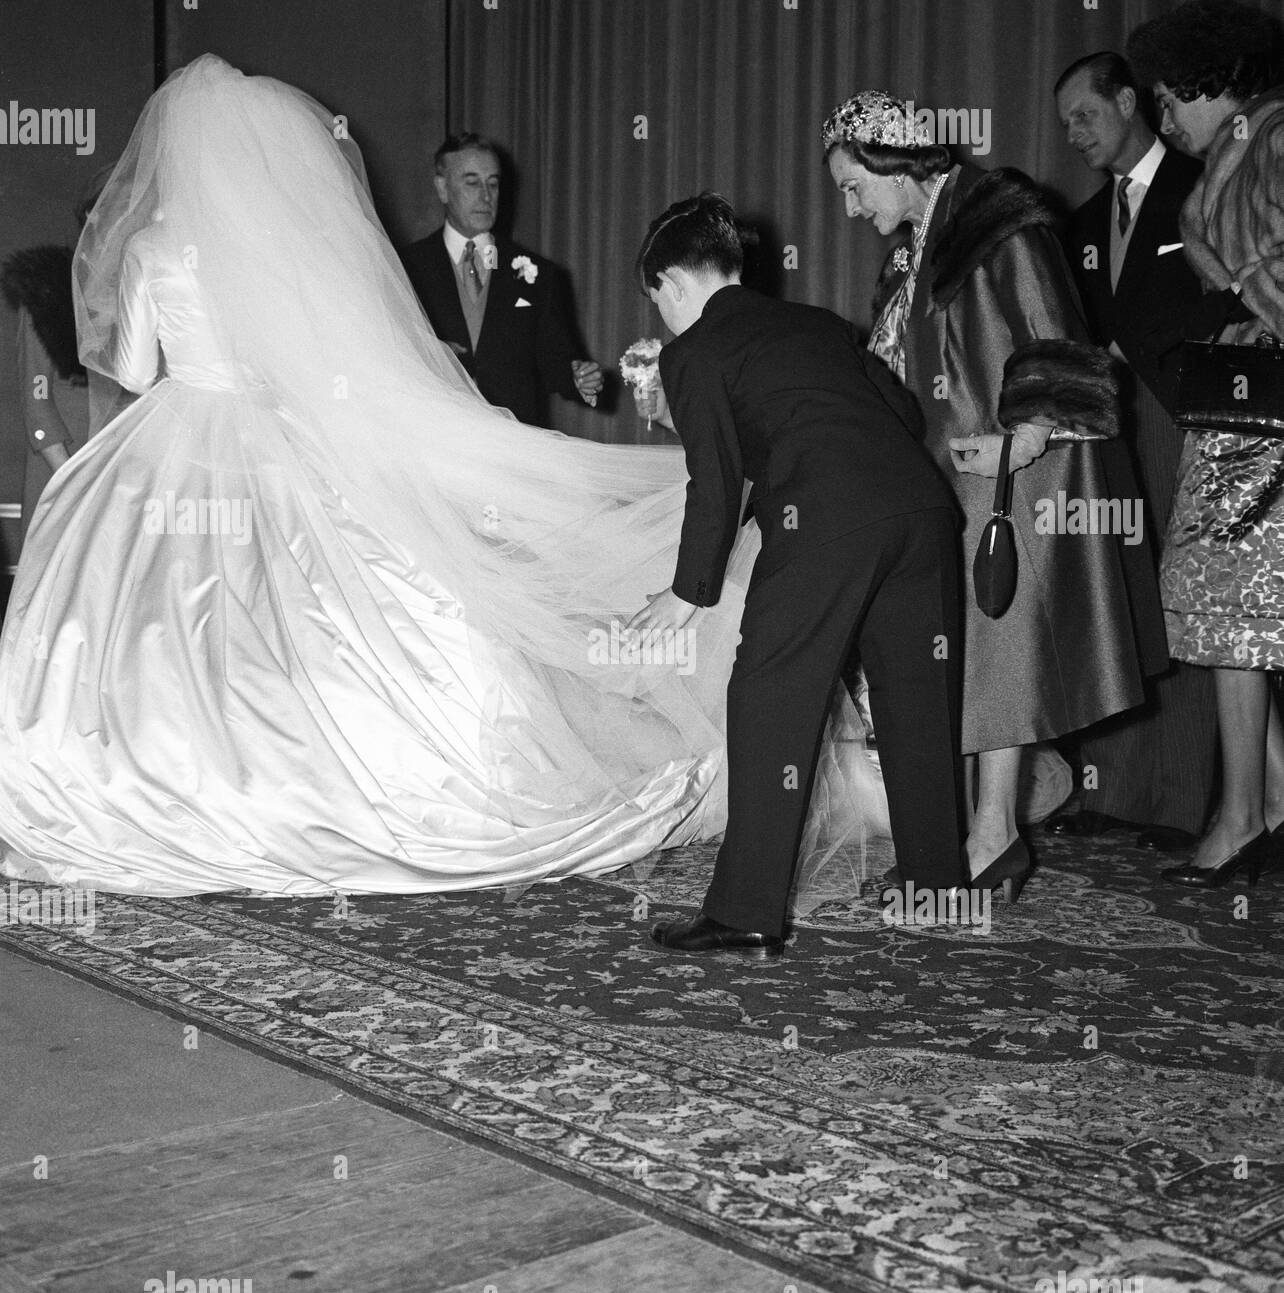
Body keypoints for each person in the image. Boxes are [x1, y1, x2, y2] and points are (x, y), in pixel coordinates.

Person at [0, 55, 881, 900]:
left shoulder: (151, 249)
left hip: (182, 437)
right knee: (327, 605)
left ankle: (156, 773)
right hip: (281, 433)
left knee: (151, 612)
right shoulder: (277, 244)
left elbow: (131, 365)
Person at [823, 91, 1159, 901]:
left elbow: (1058, 344)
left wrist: (1026, 437)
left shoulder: (993, 218)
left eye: (853, 184)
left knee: (997, 652)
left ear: (894, 166)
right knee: (963, 656)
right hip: (951, 476)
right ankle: (976, 835)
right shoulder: (915, 246)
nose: (849, 204)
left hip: (1014, 475)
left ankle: (993, 832)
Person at [632, 193, 967, 955]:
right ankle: (937, 885)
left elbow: (712, 481)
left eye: (657, 304)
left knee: (771, 692)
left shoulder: (693, 352)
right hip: (921, 510)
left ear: (673, 286)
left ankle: (746, 909)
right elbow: (905, 415)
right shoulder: (816, 324)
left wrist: (687, 596)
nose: (662, 322)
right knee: (917, 692)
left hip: (826, 523)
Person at [1127, 0, 1284, 888]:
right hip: (1239, 411)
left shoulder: (1273, 139)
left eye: (1169, 99)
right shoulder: (1242, 143)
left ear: (1217, 86)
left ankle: (1238, 817)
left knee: (1232, 615)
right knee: (1225, 612)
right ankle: (1269, 799)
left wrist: (1243, 284)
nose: (1162, 118)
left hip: (1265, 419)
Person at [1052, 51, 1218, 854]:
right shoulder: (1080, 227)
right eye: (1065, 125)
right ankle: (1113, 788)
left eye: (1085, 113)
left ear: (1128, 100)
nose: (1074, 134)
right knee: (1113, 597)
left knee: (1184, 603)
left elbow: (1230, 298)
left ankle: (1185, 801)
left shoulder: (1204, 185)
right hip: (1106, 428)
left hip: (1183, 419)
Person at [399, 134, 603, 427]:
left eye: (493, 184)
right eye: (472, 182)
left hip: (515, 442)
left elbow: (556, 359)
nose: (485, 196)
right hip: (434, 437)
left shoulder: (538, 273)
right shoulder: (407, 267)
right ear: (442, 187)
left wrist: (579, 377)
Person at [1, 171, 113, 551]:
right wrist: (72, 478)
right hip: (64, 470)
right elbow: (37, 398)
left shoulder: (143, 290)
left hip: (122, 473)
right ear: (93, 219)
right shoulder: (50, 289)